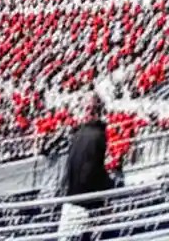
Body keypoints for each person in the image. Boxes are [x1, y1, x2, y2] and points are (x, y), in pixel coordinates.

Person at [60, 94, 113, 240]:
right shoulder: (98, 136)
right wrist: (104, 199)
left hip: (71, 202)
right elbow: (93, 171)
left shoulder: (79, 133)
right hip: (84, 205)